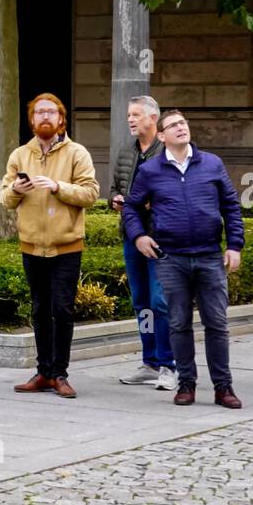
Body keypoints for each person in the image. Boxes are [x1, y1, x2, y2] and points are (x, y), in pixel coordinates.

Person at [123, 109, 245, 409]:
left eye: (183, 123)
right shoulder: (150, 170)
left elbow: (231, 206)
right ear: (161, 136)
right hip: (171, 258)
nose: (181, 128)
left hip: (209, 256)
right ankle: (186, 383)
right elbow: (131, 208)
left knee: (217, 323)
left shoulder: (212, 163)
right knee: (178, 323)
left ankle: (223, 387)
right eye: (173, 125)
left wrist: (235, 245)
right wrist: (139, 236)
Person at [1, 93, 99, 397]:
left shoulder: (77, 153)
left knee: (62, 309)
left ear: (61, 119)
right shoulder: (20, 155)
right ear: (32, 120)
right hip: (31, 245)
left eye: (51, 112)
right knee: (40, 308)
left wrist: (58, 187)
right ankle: (43, 372)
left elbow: (91, 193)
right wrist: (17, 189)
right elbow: (4, 199)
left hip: (66, 245)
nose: (45, 117)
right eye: (39, 112)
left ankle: (60, 374)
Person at [109, 95, 174, 389]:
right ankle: (149, 361)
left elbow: (179, 194)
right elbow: (115, 186)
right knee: (142, 303)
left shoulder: (168, 153)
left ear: (153, 118)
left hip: (161, 239)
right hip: (132, 237)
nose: (131, 120)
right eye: (128, 116)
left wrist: (150, 204)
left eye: (136, 115)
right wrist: (116, 200)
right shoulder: (125, 152)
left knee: (161, 302)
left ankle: (168, 364)